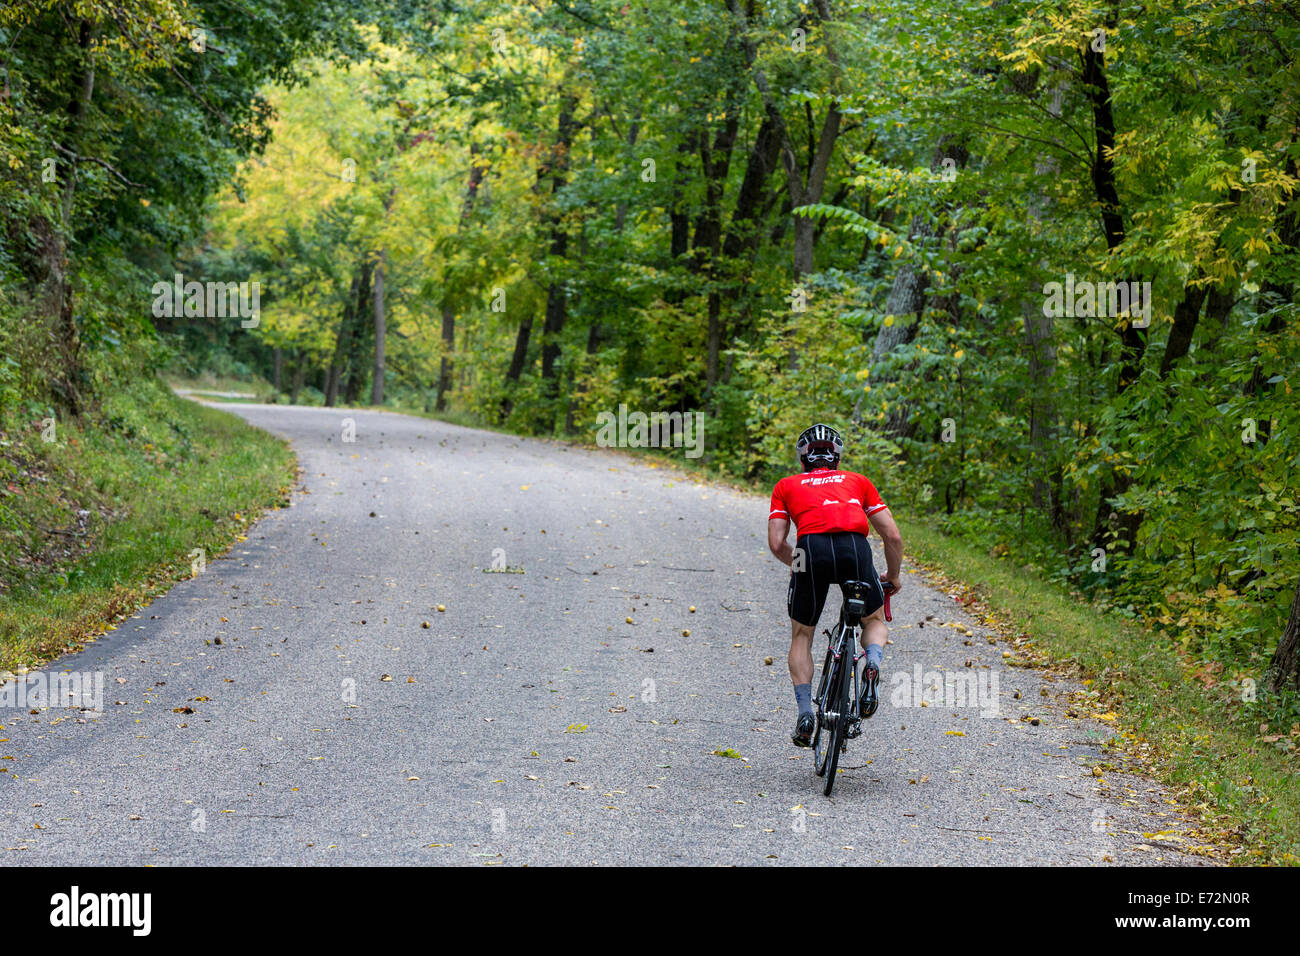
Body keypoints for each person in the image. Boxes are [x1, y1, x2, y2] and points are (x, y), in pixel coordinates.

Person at [767, 423, 904, 747]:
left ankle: (804, 715)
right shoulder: (857, 481)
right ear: (837, 458)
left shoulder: (786, 485)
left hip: (810, 550)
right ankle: (871, 663)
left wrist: (798, 565)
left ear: (803, 459)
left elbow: (776, 543)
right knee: (872, 620)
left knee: (802, 634)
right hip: (853, 550)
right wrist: (893, 575)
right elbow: (892, 535)